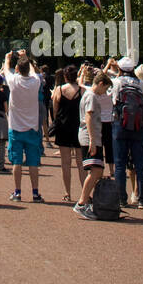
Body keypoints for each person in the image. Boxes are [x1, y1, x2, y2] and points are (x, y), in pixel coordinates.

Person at [109, 57, 143, 211]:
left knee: (119, 163)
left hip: (120, 123)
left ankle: (121, 198)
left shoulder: (117, 82)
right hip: (138, 125)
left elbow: (112, 100)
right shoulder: (140, 83)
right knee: (140, 163)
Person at [3, 50, 44, 203]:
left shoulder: (13, 81)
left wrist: (8, 58)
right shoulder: (35, 81)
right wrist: (25, 57)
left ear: (18, 69)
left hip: (15, 127)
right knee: (33, 162)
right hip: (32, 127)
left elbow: (6, 69)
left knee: (17, 162)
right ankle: (35, 193)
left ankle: (17, 192)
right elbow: (33, 71)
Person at [74, 68, 111, 218]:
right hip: (90, 137)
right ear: (100, 84)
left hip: (92, 137)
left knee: (97, 170)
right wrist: (93, 140)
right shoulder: (92, 96)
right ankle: (82, 202)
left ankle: (86, 200)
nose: (105, 92)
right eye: (106, 88)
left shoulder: (89, 94)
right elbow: (89, 118)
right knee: (96, 170)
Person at [52, 65, 84, 203]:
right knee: (81, 162)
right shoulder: (82, 90)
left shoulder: (59, 90)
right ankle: (84, 192)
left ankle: (67, 193)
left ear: (65, 77)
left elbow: (55, 110)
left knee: (65, 162)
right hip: (78, 128)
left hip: (63, 127)